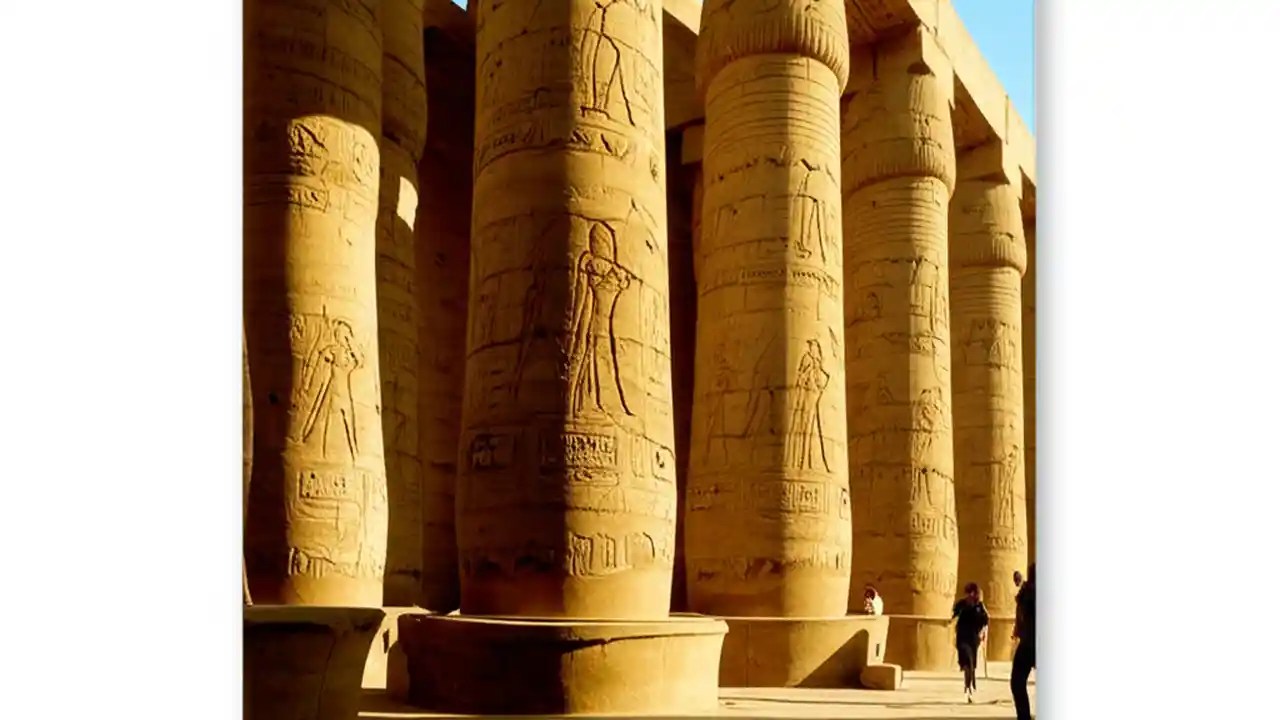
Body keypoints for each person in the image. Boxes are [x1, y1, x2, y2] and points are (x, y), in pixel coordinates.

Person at [952, 582, 989, 703]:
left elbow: (986, 621)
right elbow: (953, 616)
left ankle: (969, 686)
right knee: (967, 661)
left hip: (974, 638)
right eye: (969, 593)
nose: (970, 595)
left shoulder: (980, 606)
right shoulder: (961, 604)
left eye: (973, 593)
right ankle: (969, 686)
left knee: (971, 665)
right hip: (962, 637)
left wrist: (983, 632)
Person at [1011, 563, 1036, 720]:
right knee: (1017, 682)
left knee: (1017, 683)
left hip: (1030, 642)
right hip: (1028, 642)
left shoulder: (1030, 593)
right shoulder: (1027, 592)